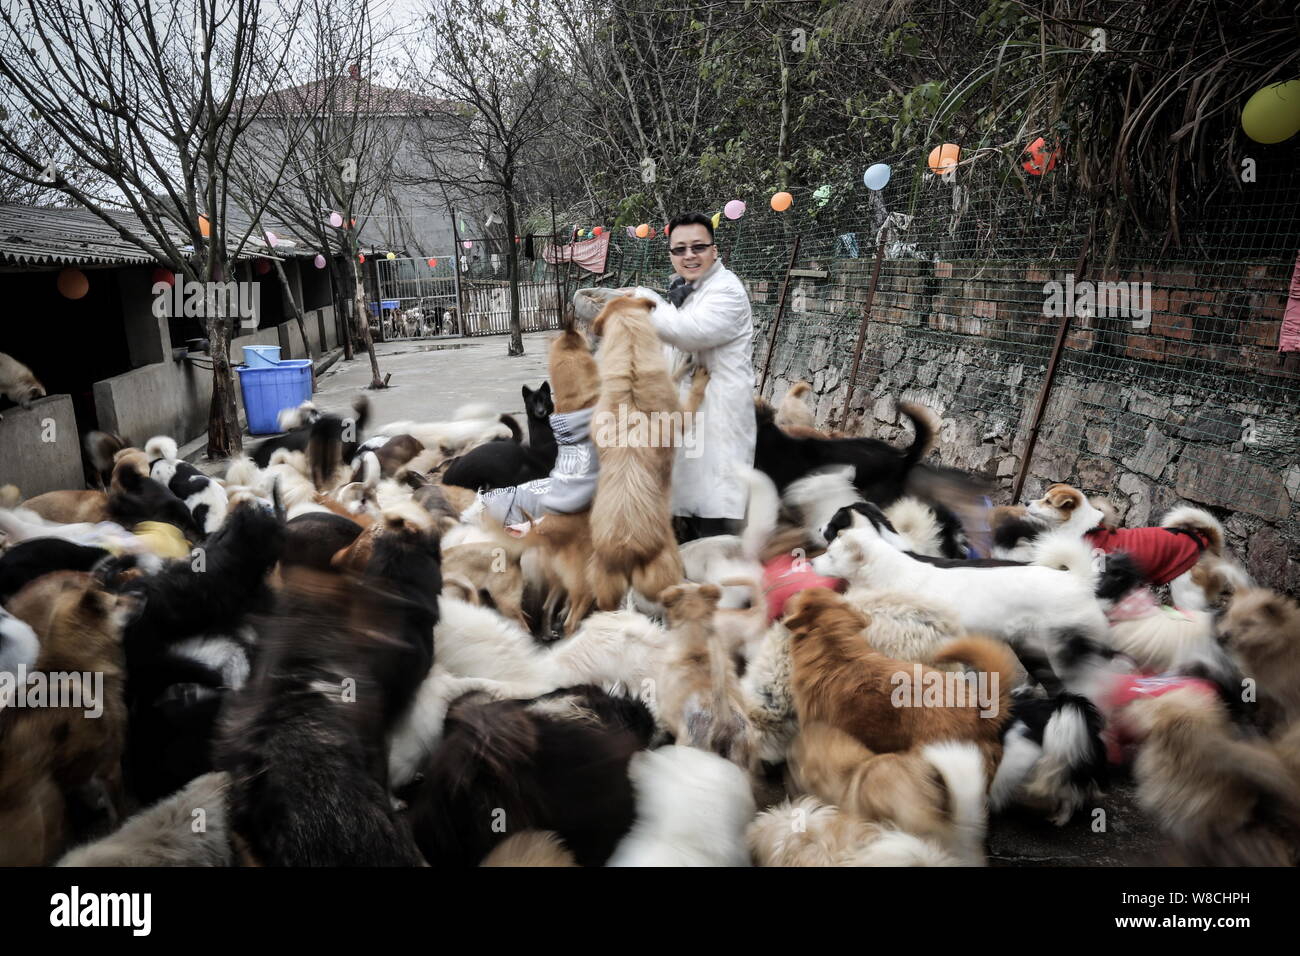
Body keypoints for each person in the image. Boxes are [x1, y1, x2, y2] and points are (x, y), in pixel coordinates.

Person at [628, 211, 757, 541]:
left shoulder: (726, 291)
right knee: (684, 521)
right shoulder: (687, 289)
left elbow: (689, 332)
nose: (689, 255)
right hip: (688, 419)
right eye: (679, 249)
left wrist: (643, 303)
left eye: (698, 247)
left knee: (715, 533)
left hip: (719, 421)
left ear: (714, 249)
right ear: (670, 253)